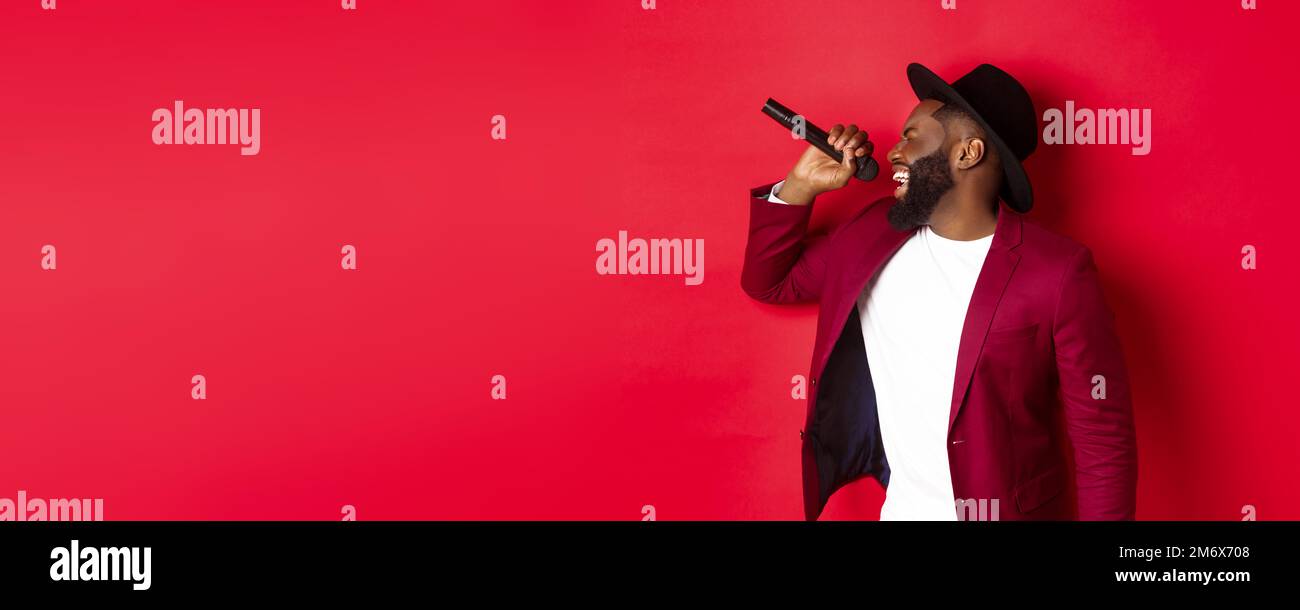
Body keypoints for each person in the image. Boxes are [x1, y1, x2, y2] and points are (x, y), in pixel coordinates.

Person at [741, 63, 1137, 520]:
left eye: (912, 137)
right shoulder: (870, 233)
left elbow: (1102, 442)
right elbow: (770, 281)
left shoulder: (1059, 272)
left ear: (968, 153)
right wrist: (800, 187)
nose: (894, 152)